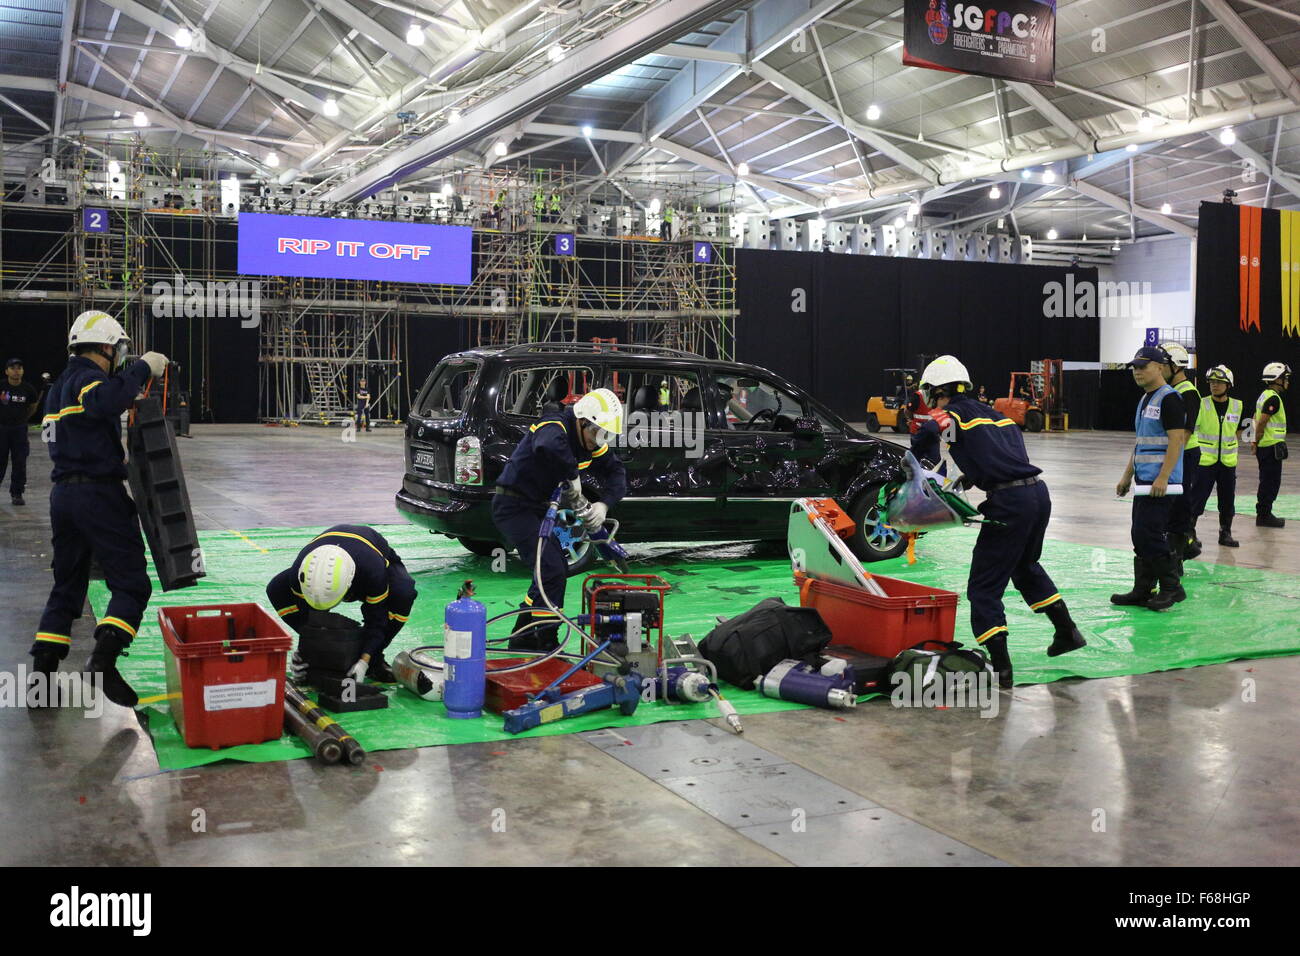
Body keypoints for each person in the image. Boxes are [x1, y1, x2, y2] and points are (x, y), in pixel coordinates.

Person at [918, 355, 1085, 687]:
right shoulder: (997, 416)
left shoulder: (951, 413)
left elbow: (927, 430)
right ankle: (1067, 631)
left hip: (1009, 503)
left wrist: (918, 463)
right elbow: (1000, 458)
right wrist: (967, 478)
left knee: (983, 588)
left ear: (937, 390)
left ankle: (1002, 668)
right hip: (1038, 495)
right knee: (1024, 567)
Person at [31, 311, 169, 707]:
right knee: (131, 584)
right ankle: (103, 661)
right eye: (119, 352)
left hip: (63, 498)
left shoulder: (57, 388)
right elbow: (105, 400)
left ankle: (40, 682)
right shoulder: (87, 379)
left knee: (67, 585)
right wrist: (144, 366)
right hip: (97, 495)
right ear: (107, 347)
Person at [492, 388, 628, 652]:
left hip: (536, 509)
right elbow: (548, 445)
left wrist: (603, 504)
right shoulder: (555, 424)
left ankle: (522, 638)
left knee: (547, 572)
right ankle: (546, 641)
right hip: (513, 506)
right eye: (599, 433)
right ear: (583, 421)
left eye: (607, 435)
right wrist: (572, 473)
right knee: (552, 568)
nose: (602, 441)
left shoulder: (592, 441)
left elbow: (616, 473)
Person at [266, 525, 418, 683]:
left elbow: (376, 621)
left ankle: (375, 660)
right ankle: (322, 655)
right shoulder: (299, 573)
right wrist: (306, 651)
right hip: (333, 559)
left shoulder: (372, 571)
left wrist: (365, 660)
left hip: (371, 555)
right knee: (276, 590)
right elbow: (309, 620)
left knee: (403, 594)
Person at [1111, 346, 1187, 612]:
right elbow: (1141, 443)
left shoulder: (1170, 399)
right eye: (1134, 367)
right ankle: (1143, 589)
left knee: (1149, 533)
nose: (1137, 372)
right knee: (1139, 534)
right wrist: (1126, 476)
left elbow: (1177, 440)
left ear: (1160, 367)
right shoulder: (1145, 400)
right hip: (1144, 480)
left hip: (1162, 483)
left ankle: (1172, 587)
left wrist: (1164, 477)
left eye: (1143, 366)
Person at [1189, 365, 1244, 548]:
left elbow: (1235, 431)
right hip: (1205, 461)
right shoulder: (1202, 404)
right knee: (1197, 498)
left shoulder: (1237, 406)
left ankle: (1225, 532)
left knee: (1227, 500)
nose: (1215, 385)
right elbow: (1193, 431)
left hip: (1228, 462)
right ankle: (1189, 532)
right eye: (1212, 382)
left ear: (1228, 385)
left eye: (1219, 382)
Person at [1160, 342, 1202, 562]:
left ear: (1175, 366)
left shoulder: (1188, 393)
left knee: (1180, 501)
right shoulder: (1173, 391)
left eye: (1163, 365)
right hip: (1179, 453)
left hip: (1186, 453)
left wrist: (1170, 461)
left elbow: (1186, 432)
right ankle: (1186, 545)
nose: (1159, 370)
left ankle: (1181, 549)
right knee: (1175, 502)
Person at [1251, 362, 1290, 528]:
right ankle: (1264, 515)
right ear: (1277, 379)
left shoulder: (1264, 395)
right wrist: (1256, 440)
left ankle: (1264, 513)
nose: (1287, 381)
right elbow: (1262, 422)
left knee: (1267, 480)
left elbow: (1254, 416)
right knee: (1270, 482)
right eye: (1285, 378)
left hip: (1266, 447)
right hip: (1270, 447)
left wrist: (1255, 441)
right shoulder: (1273, 398)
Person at [1, 357, 41, 505]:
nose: (16, 371)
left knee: (19, 462)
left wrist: (22, 420)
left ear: (23, 371)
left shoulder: (28, 389)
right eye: (13, 368)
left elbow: (32, 407)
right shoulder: (1, 387)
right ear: (6, 371)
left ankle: (17, 493)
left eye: (19, 368)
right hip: (2, 429)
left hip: (19, 430)